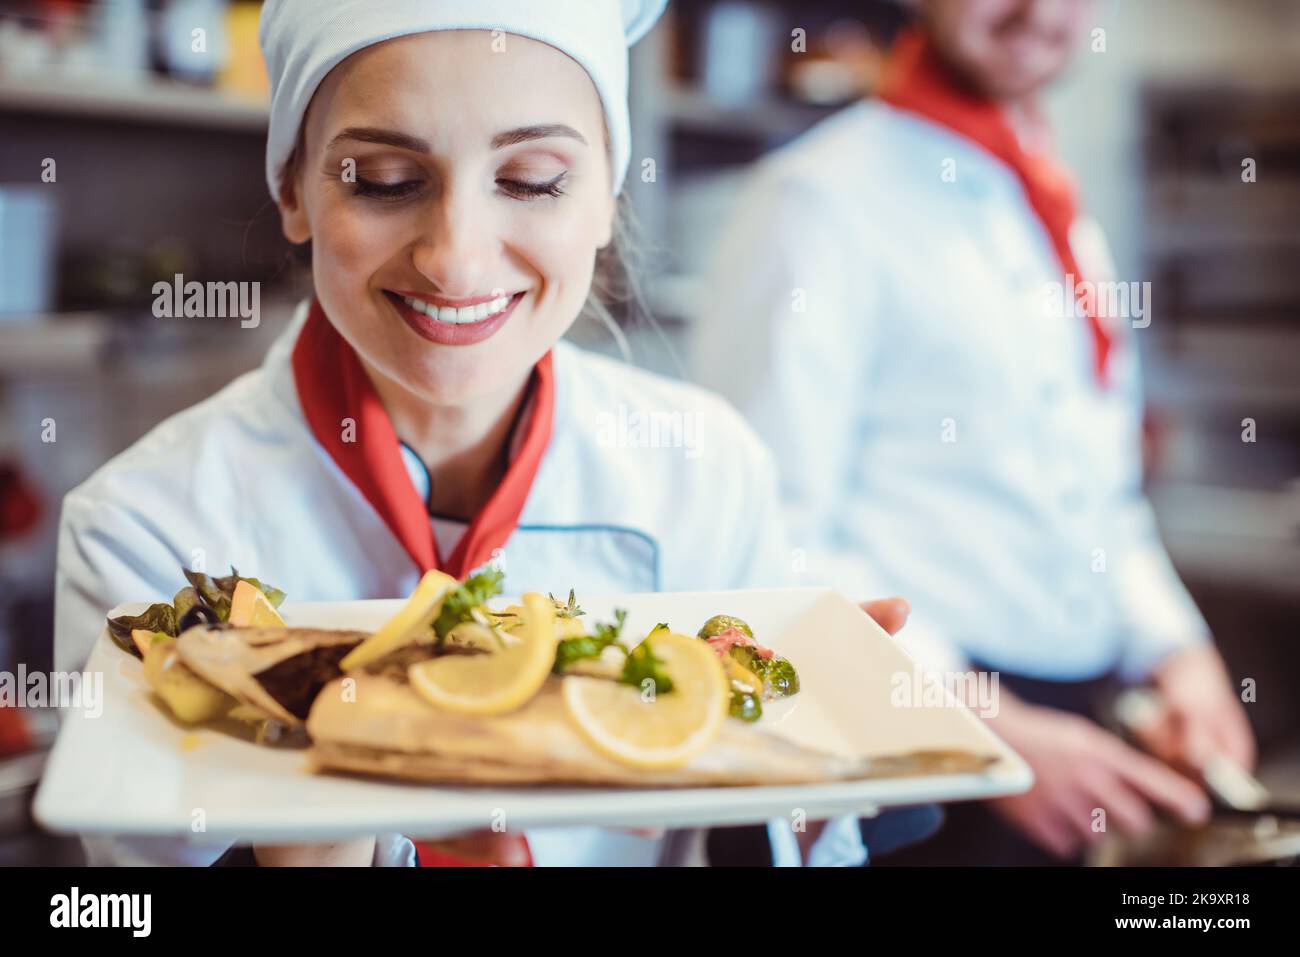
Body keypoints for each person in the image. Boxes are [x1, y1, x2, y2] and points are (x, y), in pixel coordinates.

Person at [53, 0, 910, 867]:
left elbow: (775, 830)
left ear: (609, 194)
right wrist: (322, 822)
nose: (456, 258)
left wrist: (808, 757)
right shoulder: (145, 529)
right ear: (293, 191)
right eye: (385, 179)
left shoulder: (706, 469)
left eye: (533, 178)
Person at [693, 0, 1254, 864]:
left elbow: (1097, 489)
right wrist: (981, 730)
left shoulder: (1051, 204)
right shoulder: (813, 200)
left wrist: (1176, 647)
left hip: (1081, 731)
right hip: (908, 749)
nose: (1038, 11)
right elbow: (763, 535)